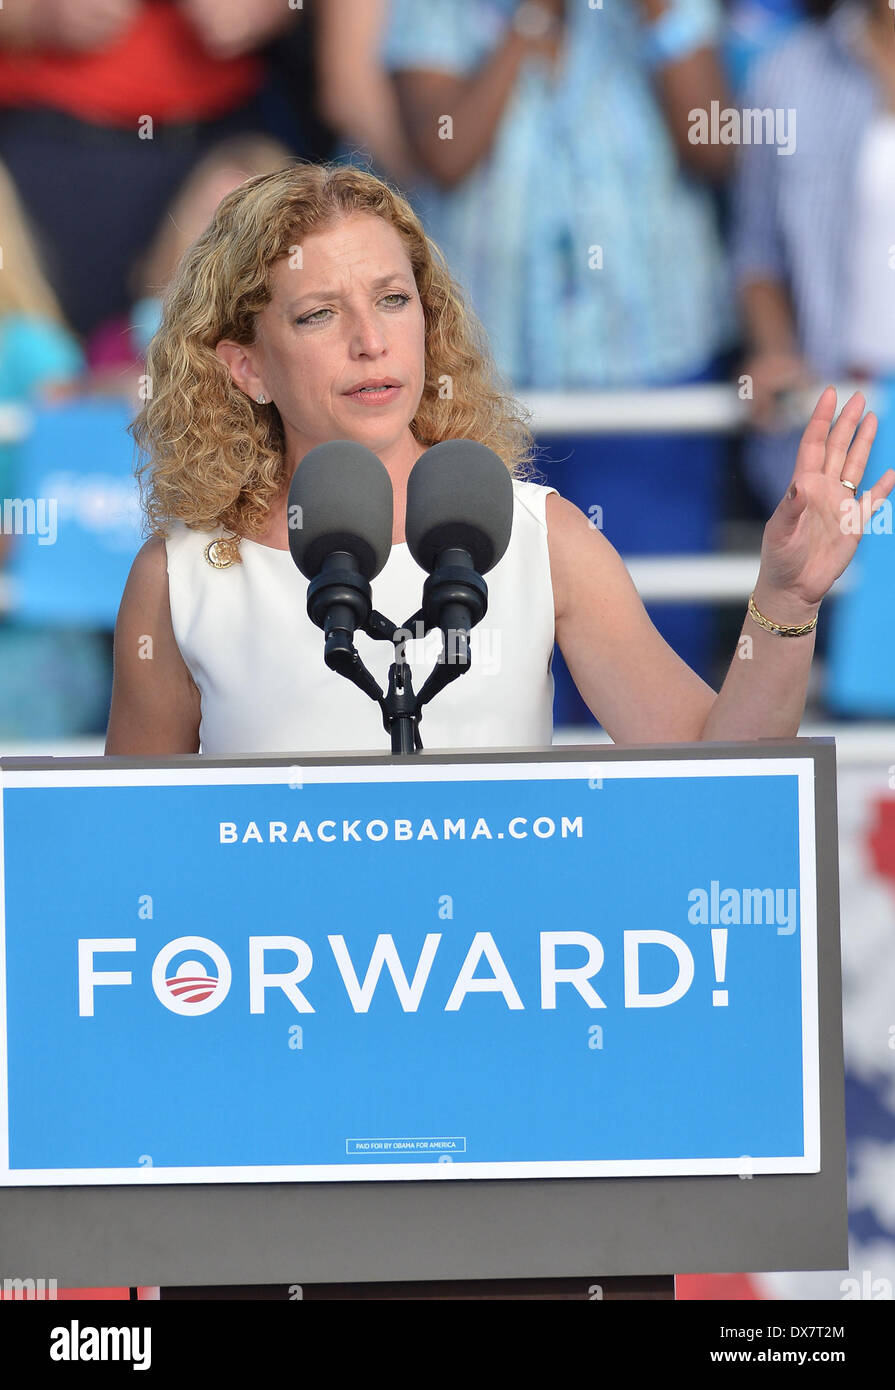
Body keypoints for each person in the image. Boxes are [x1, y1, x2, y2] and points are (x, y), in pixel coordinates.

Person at [105, 161, 893, 760]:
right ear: (245, 367)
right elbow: (127, 854)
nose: (370, 342)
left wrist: (786, 600)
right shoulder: (180, 580)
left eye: (391, 299)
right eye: (318, 314)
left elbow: (720, 774)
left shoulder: (539, 536)